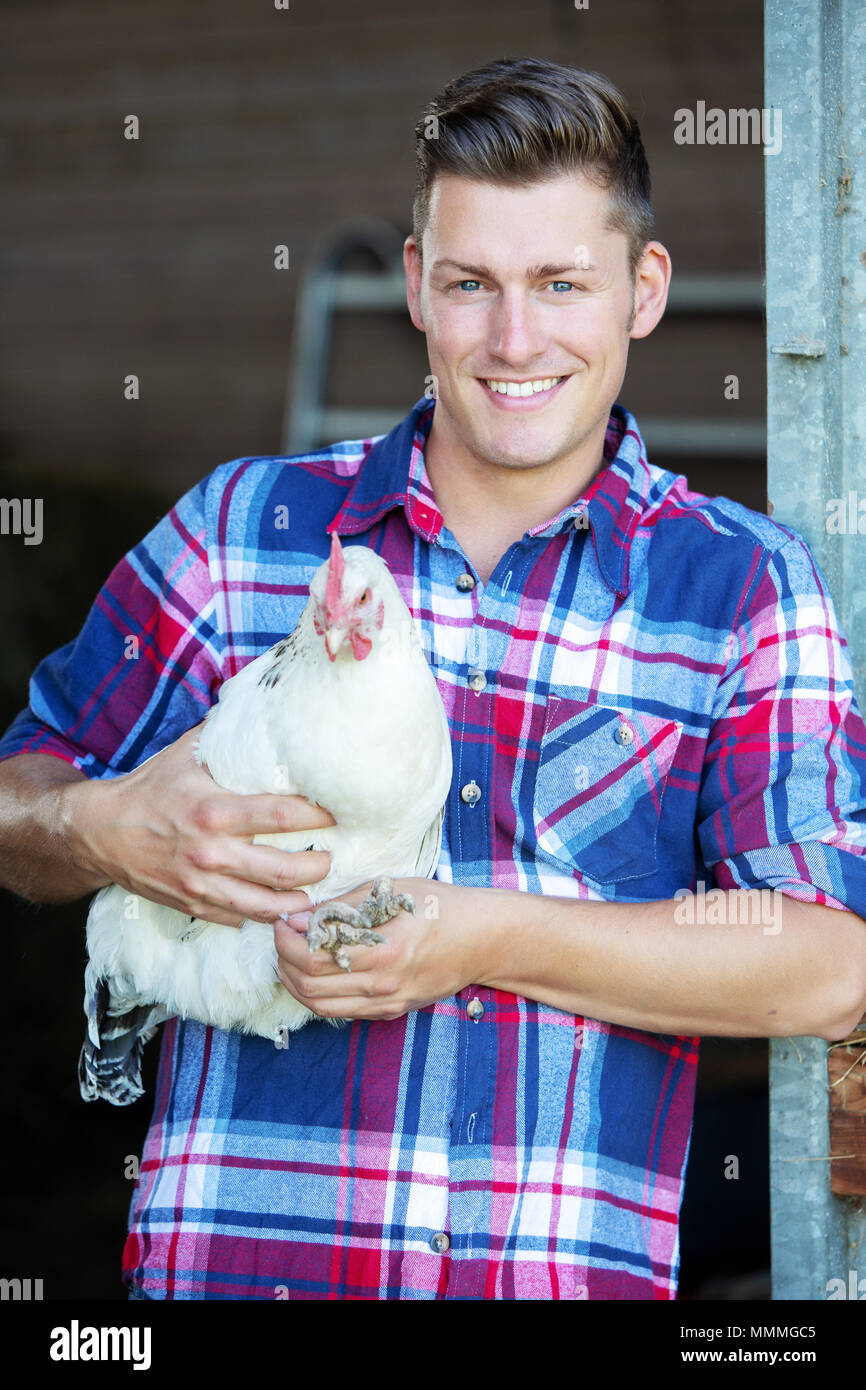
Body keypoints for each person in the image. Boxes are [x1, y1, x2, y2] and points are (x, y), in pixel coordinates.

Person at [1, 56, 865, 1302]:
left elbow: (828, 956)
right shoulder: (239, 533)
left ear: (642, 290)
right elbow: (21, 793)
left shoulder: (739, 589)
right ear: (415, 286)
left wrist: (476, 937)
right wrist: (102, 824)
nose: (514, 340)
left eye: (560, 283)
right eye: (471, 285)